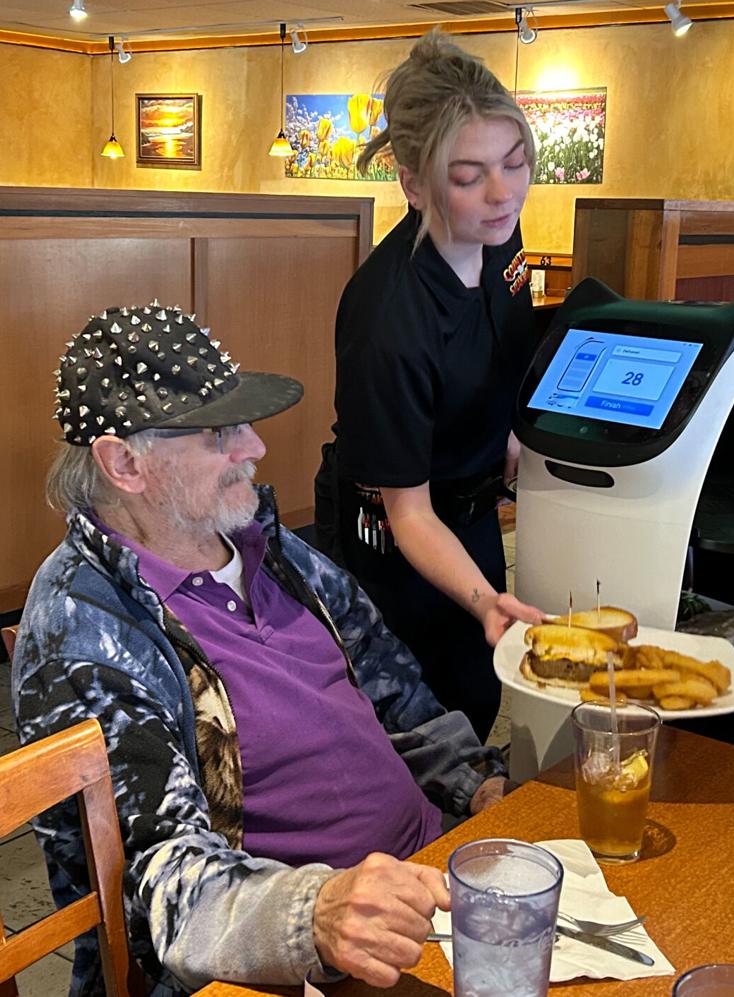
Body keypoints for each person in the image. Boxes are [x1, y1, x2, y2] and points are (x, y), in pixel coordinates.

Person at [13, 303, 510, 997]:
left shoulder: (267, 549)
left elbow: (395, 695)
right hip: (299, 963)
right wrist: (316, 915)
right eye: (221, 433)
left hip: (432, 884)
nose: (255, 446)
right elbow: (159, 885)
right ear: (124, 463)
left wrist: (481, 785)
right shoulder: (86, 627)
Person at [314, 31, 547, 741]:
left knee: (478, 695)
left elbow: (503, 346)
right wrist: (484, 600)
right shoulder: (389, 316)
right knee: (421, 724)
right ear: (414, 184)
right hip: (394, 532)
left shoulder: (498, 236)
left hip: (470, 506)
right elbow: (408, 513)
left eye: (515, 163)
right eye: (469, 176)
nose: (502, 192)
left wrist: (510, 429)